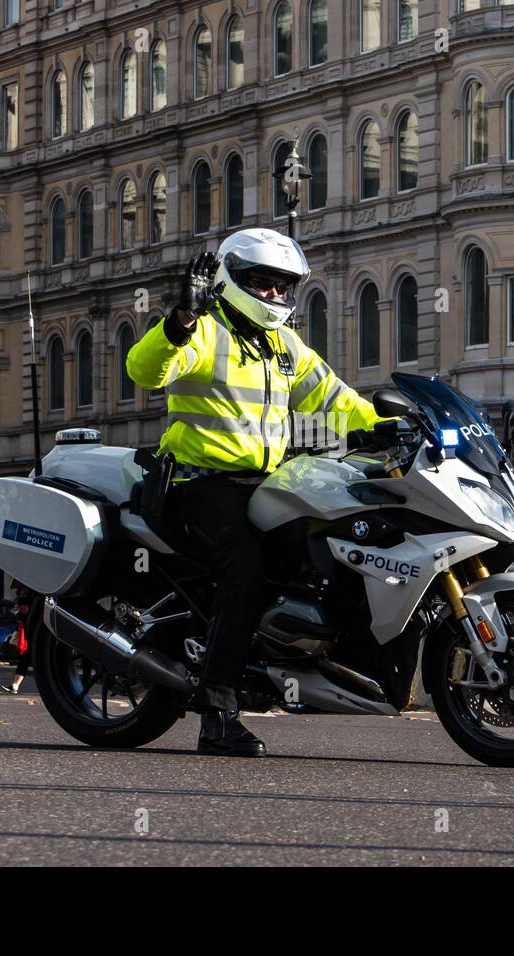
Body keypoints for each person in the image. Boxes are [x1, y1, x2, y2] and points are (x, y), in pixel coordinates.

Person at [125, 230, 383, 757]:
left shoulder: (283, 348)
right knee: (246, 565)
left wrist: (391, 426)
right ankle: (217, 715)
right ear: (231, 280)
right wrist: (178, 322)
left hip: (264, 484)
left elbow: (337, 398)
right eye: (260, 284)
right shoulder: (205, 332)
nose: (271, 295)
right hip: (197, 484)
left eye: (280, 286)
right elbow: (145, 370)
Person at [3, 586, 31, 695]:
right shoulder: (25, 607)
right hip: (26, 637)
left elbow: (26, 620)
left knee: (24, 662)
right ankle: (15, 685)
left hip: (28, 638)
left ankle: (15, 685)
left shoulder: (26, 608)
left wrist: (17, 614)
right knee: (23, 662)